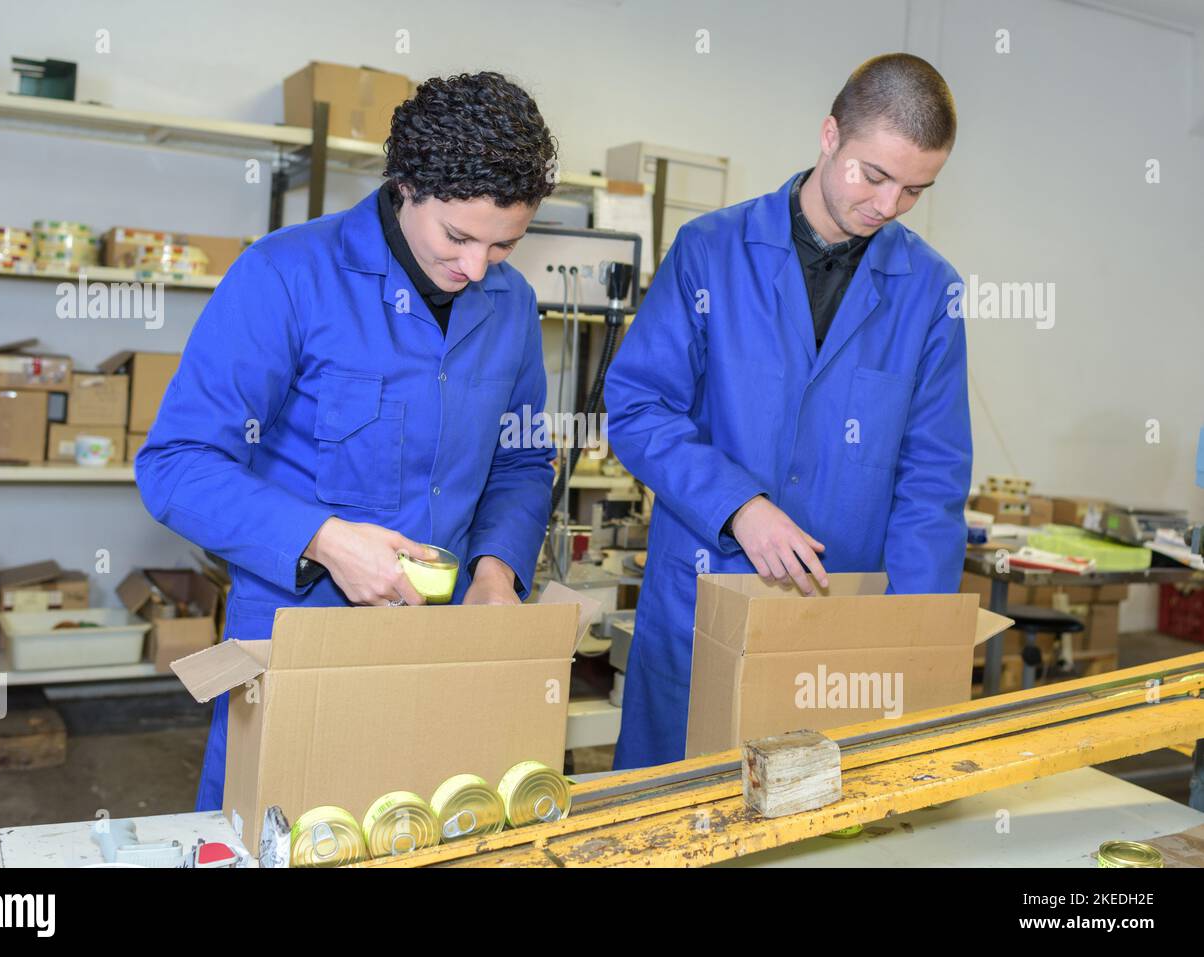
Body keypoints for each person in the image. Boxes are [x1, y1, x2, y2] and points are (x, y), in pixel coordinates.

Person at [135, 72, 558, 810]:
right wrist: (325, 539)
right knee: (277, 834)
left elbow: (519, 460)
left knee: (425, 832)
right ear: (405, 185)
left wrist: (497, 574)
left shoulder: (512, 304)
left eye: (504, 245)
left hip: (446, 646)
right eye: (457, 236)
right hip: (302, 648)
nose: (475, 269)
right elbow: (176, 465)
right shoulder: (287, 275)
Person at [604, 53, 972, 769]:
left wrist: (914, 637)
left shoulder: (931, 293)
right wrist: (739, 504)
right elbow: (640, 407)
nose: (887, 206)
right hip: (704, 601)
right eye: (873, 175)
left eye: (914, 190)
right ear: (830, 135)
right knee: (669, 813)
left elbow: (932, 476)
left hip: (840, 624)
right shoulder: (709, 252)